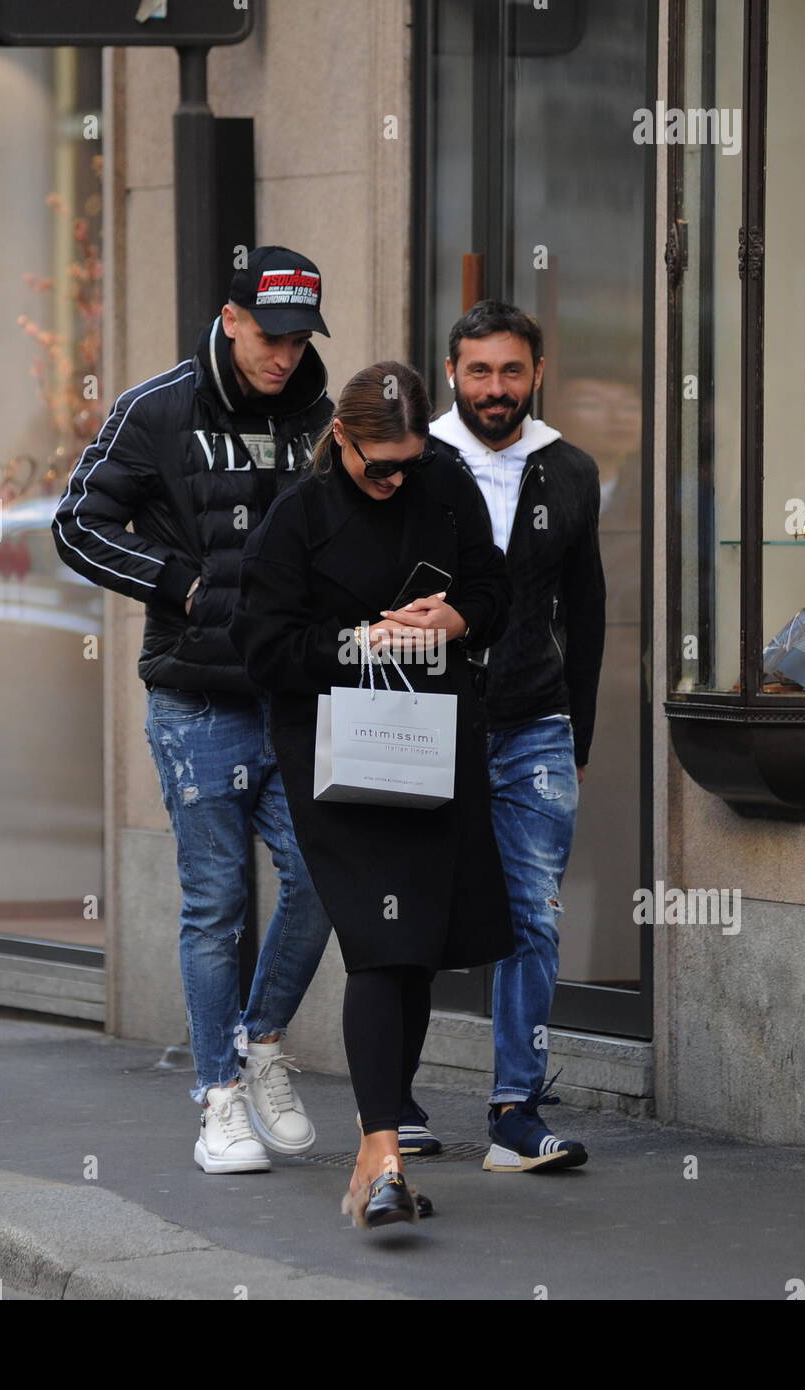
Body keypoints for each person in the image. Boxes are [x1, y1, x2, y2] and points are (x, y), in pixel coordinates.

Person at [52, 247, 337, 1174]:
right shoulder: (158, 407)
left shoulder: (318, 418)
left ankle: (259, 1045)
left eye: (300, 341)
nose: (285, 357)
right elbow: (75, 524)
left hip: (292, 697)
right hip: (196, 702)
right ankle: (216, 1098)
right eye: (270, 336)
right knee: (215, 905)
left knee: (323, 878)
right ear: (228, 316)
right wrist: (178, 585)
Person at [230, 361, 514, 1228]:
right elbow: (263, 648)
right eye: (377, 464)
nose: (393, 478)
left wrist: (456, 620)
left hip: (433, 743)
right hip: (337, 757)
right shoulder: (300, 515)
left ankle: (373, 1151)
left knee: (417, 944)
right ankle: (383, 1148)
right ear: (342, 440)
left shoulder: (444, 486)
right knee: (382, 942)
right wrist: (361, 641)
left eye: (407, 461)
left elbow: (496, 589)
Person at [409, 299, 607, 1173]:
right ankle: (393, 1101)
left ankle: (514, 1111)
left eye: (512, 371)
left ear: (535, 374)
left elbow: (588, 609)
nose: (496, 387)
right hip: (424, 719)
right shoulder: (410, 460)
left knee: (532, 915)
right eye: (479, 370)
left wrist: (577, 733)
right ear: (452, 373)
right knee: (409, 909)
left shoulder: (567, 468)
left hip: (534, 723)